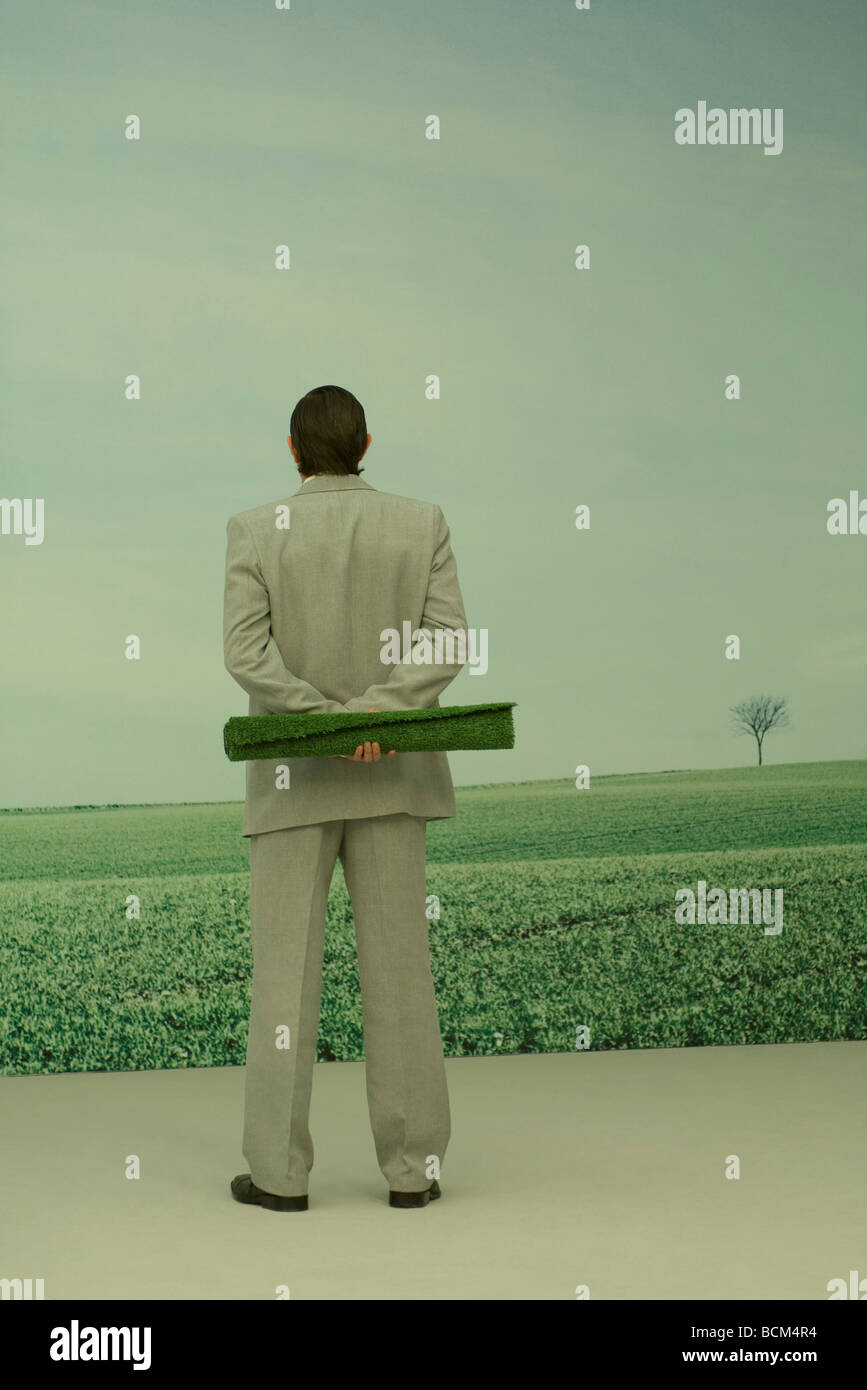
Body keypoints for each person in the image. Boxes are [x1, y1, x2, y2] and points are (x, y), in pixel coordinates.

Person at [223, 384, 468, 1211]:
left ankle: (278, 1175)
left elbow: (245, 656)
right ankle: (412, 1175)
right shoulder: (421, 521)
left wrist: (322, 721)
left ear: (292, 449)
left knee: (281, 980)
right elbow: (445, 642)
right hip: (393, 774)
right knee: (399, 977)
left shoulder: (254, 530)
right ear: (366, 442)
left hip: (292, 778)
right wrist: (377, 713)